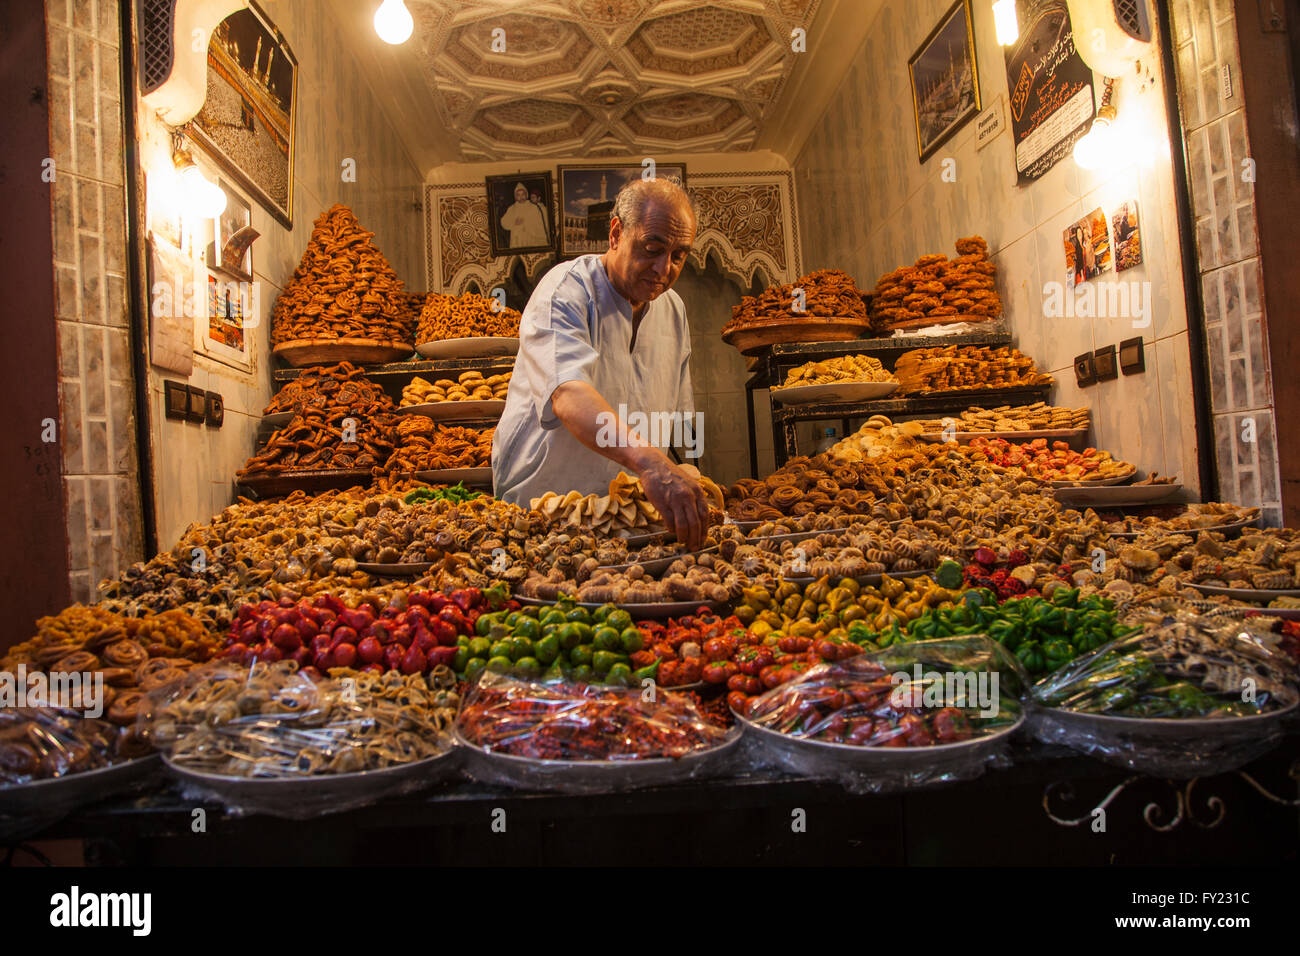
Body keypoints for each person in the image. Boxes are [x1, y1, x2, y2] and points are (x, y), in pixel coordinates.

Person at [491, 177, 711, 548]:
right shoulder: (565, 291)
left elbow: (675, 417)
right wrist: (651, 464)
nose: (663, 269)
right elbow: (568, 394)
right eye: (652, 249)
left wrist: (684, 475)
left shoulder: (673, 310)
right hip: (543, 511)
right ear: (615, 234)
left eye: (679, 256)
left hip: (627, 518)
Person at [501, 182, 549, 248]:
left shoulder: (534, 207)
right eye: (518, 195)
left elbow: (541, 223)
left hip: (531, 239)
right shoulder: (512, 208)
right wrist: (513, 223)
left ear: (526, 195)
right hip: (517, 240)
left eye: (523, 194)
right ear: (515, 196)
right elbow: (504, 222)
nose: (521, 197)